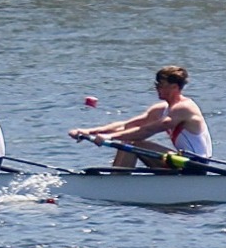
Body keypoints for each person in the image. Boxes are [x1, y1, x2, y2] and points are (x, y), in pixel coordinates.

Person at [68, 66, 211, 173]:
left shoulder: (184, 108)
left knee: (133, 143)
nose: (156, 88)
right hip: (179, 160)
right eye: (156, 84)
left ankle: (116, 183)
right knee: (129, 140)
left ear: (174, 87)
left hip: (195, 165)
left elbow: (146, 131)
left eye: (160, 85)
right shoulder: (161, 109)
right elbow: (127, 125)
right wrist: (88, 132)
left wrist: (108, 137)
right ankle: (116, 178)